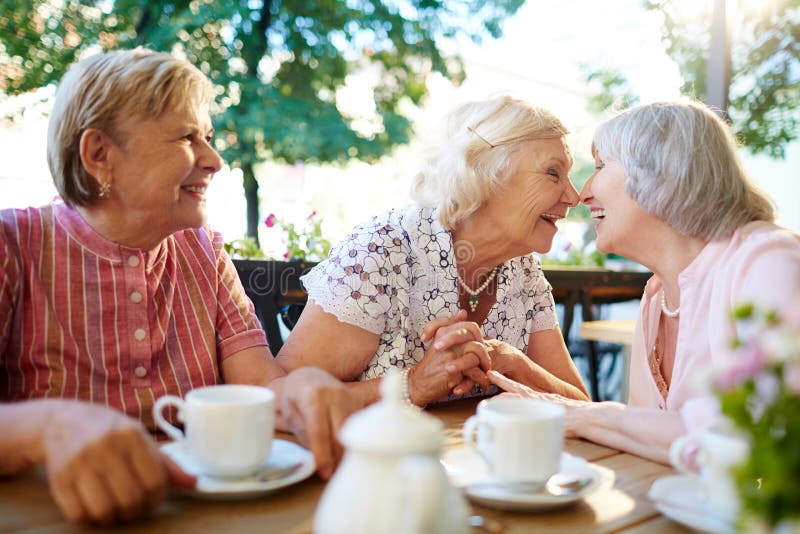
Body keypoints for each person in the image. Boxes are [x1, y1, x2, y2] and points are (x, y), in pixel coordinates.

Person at [0, 48, 359, 525]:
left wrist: (304, 390)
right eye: (189, 137)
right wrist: (48, 425)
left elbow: (263, 389)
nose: (215, 161)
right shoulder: (13, 245)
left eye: (208, 137)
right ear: (99, 154)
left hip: (201, 515)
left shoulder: (205, 252)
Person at [489, 100, 800, 464]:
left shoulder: (765, 259)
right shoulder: (656, 297)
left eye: (601, 166)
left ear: (663, 174)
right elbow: (649, 443)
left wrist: (574, 414)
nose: (583, 194)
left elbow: (757, 439)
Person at [276, 95, 590, 408]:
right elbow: (282, 398)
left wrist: (511, 361)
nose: (574, 196)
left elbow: (583, 405)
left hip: (469, 456)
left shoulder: (523, 269)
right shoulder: (380, 252)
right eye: (553, 172)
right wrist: (412, 386)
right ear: (488, 173)